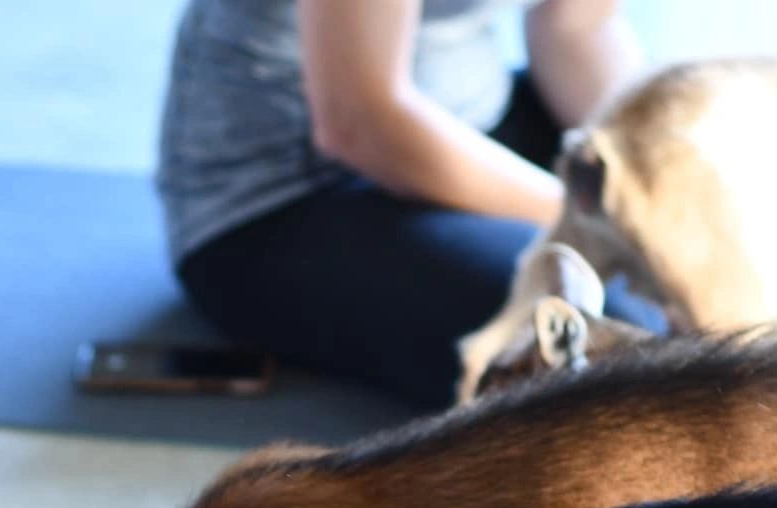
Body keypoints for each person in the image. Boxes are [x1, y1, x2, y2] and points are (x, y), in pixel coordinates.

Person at [157, 0, 659, 409]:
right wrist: (599, 222)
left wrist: (656, 189)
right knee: (611, 343)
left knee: (697, 244)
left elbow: (574, 27)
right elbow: (359, 123)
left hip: (471, 115)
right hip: (285, 196)